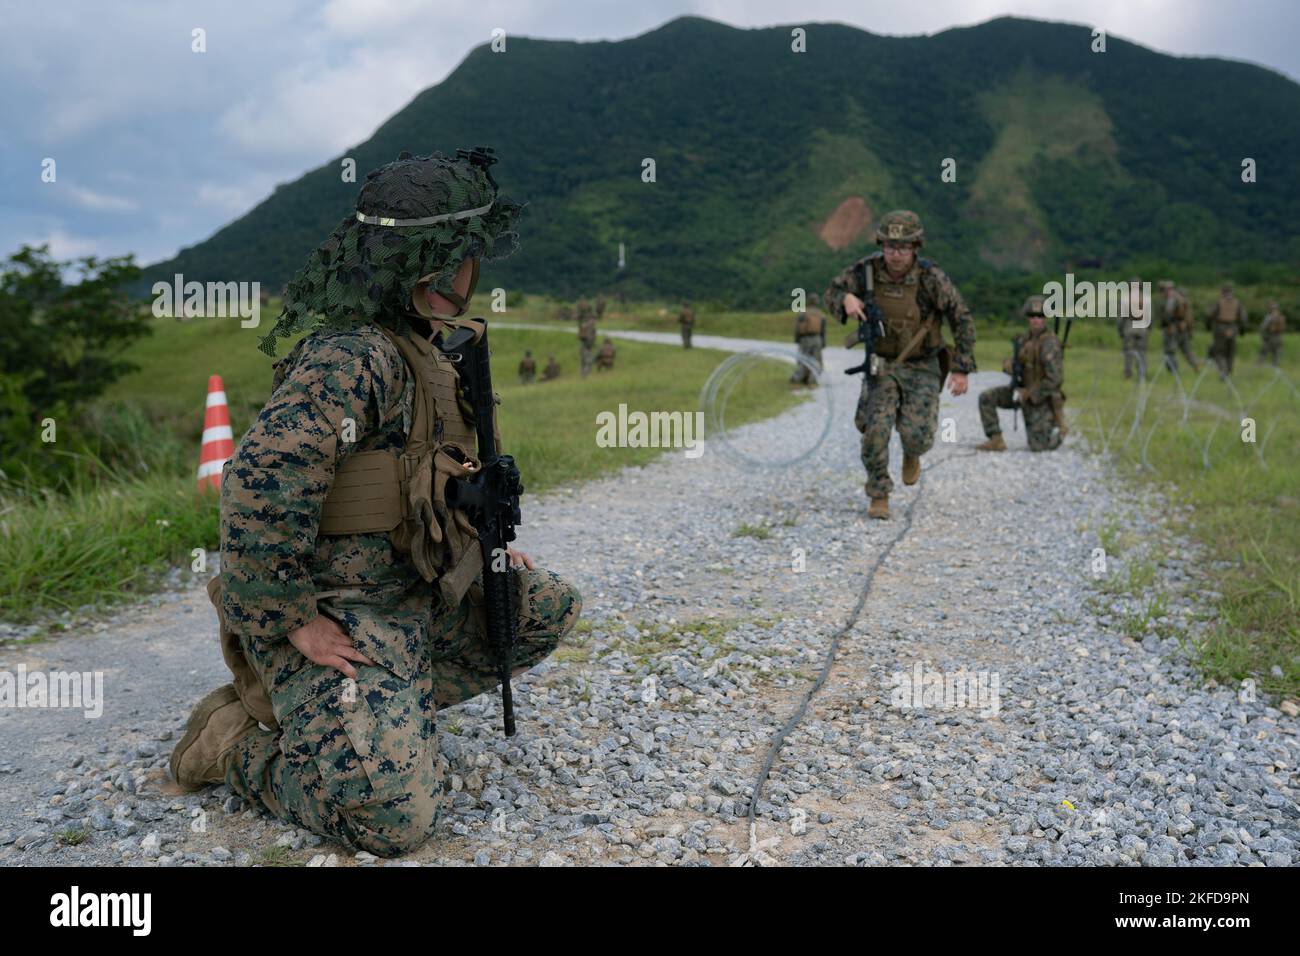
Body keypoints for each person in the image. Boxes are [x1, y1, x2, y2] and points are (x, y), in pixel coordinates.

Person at [169, 149, 582, 858]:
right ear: (432, 267)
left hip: (414, 590)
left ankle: (368, 720)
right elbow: (258, 483)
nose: (469, 271)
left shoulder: (434, 351)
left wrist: (480, 545)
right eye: (461, 257)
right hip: (345, 607)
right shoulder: (354, 357)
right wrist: (294, 623)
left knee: (539, 608)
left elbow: (438, 477)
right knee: (392, 821)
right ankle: (233, 740)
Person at [824, 210, 975, 520]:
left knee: (917, 435)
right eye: (890, 247)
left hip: (922, 365)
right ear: (882, 245)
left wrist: (961, 367)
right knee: (875, 429)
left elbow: (961, 317)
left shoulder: (931, 278)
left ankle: (912, 452)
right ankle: (879, 492)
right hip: (882, 364)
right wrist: (846, 300)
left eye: (903, 248)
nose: (895, 254)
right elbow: (832, 291)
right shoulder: (866, 270)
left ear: (915, 248)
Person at [977, 295, 1064, 452]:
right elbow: (1018, 364)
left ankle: (1059, 428)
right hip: (1020, 391)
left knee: (1039, 447)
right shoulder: (1023, 339)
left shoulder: (1050, 343)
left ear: (1045, 318)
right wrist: (1009, 365)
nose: (1036, 319)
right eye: (1032, 316)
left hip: (1040, 399)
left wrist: (1030, 393)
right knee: (986, 397)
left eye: (1040, 316)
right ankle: (996, 440)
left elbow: (1055, 379)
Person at [1206, 282, 1247, 378]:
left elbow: (1210, 315)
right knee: (1230, 352)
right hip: (1233, 328)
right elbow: (1243, 318)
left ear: (1222, 292)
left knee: (1218, 351)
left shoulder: (1219, 302)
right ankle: (1229, 371)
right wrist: (1242, 330)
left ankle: (1223, 371)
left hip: (1220, 328)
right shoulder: (1237, 303)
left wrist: (1208, 326)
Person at [1157, 280, 1199, 373]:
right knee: (1186, 349)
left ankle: (1173, 370)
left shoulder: (1171, 298)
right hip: (1182, 327)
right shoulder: (1181, 298)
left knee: (1170, 350)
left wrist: (1165, 325)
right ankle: (1195, 364)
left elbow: (1168, 314)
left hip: (1173, 327)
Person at [790, 292, 827, 385]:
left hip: (805, 339)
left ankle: (799, 377)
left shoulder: (803, 313)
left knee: (803, 359)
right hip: (817, 339)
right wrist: (823, 342)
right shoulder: (821, 314)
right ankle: (812, 379)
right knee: (816, 360)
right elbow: (823, 330)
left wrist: (797, 340)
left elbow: (798, 328)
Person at [1258, 301, 1286, 366]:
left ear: (1270, 309)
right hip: (1278, 337)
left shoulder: (1268, 317)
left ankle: (1258, 366)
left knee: (1263, 353)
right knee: (1276, 354)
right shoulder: (1281, 316)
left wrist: (1263, 336)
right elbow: (1283, 328)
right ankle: (1274, 367)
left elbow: (1262, 328)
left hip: (1269, 337)